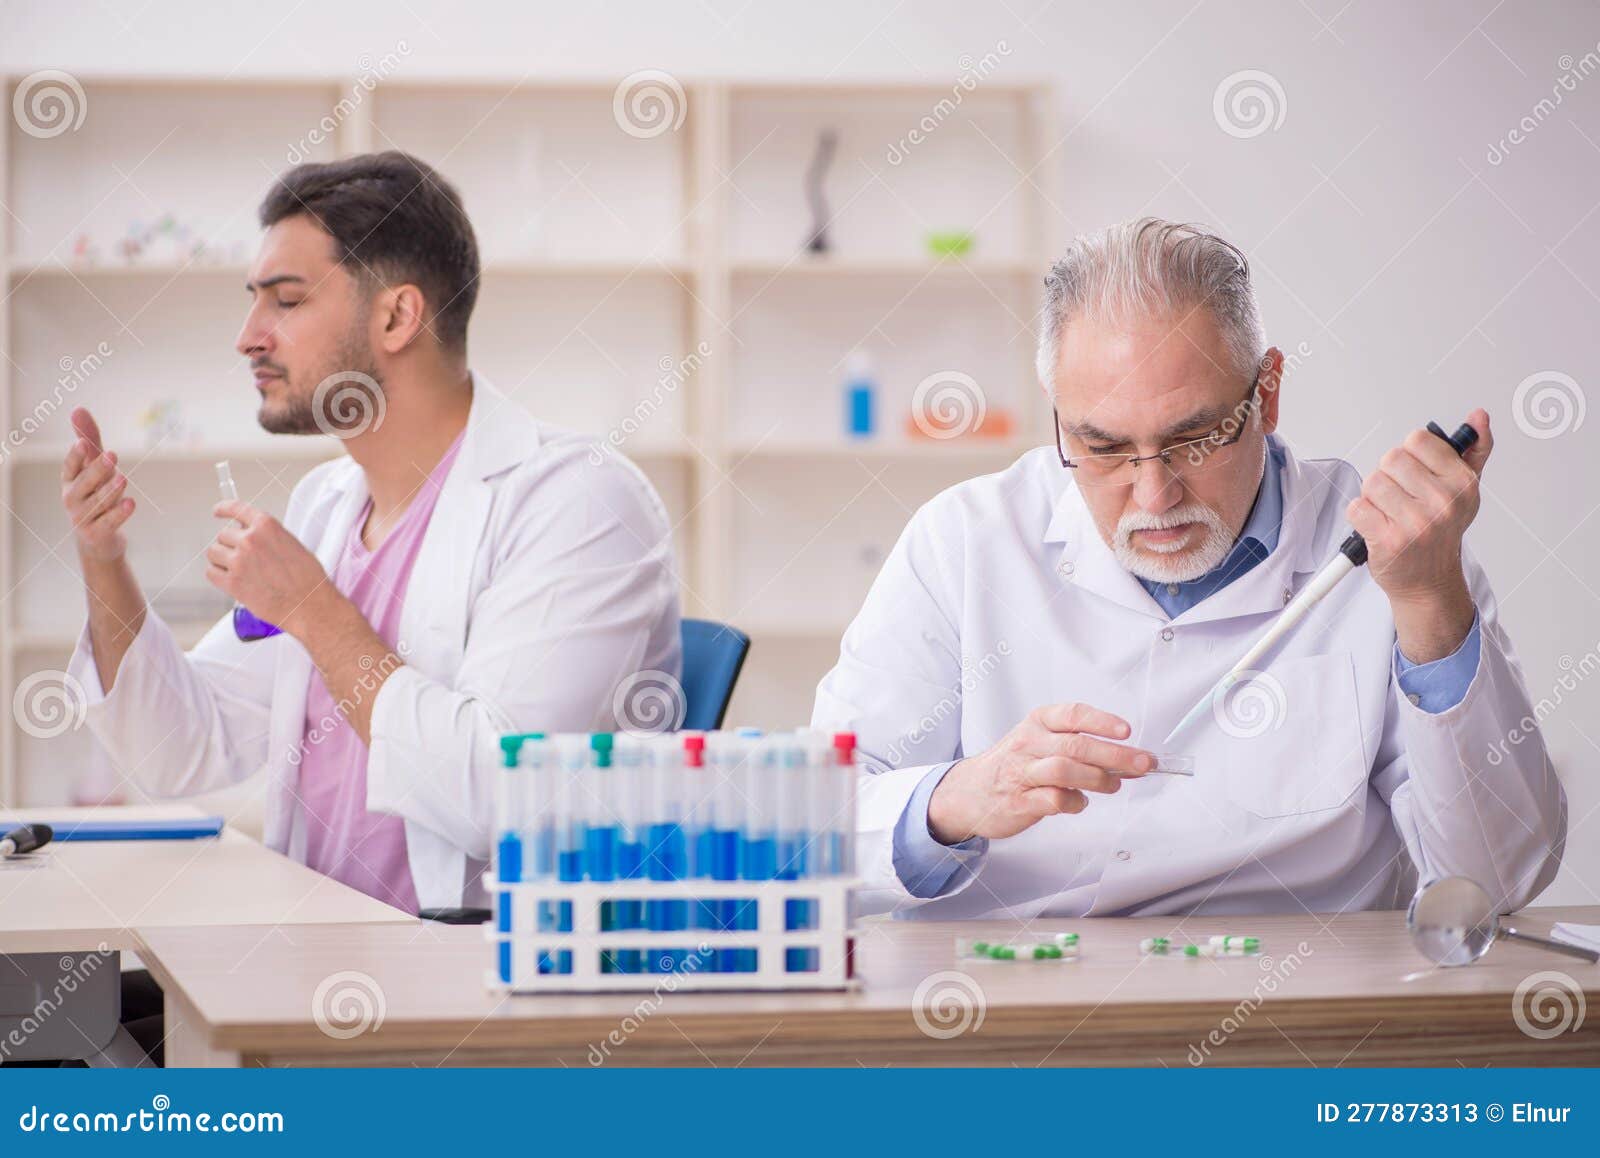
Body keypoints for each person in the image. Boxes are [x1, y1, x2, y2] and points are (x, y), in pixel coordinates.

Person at [813, 217, 1565, 920]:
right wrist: (950, 799)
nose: (1154, 494)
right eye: (1104, 446)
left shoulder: (1398, 553)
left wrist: (1431, 600)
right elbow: (817, 823)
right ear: (1057, 418)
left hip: (1294, 1026)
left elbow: (1495, 880)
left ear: (1266, 394)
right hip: (1013, 1020)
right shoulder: (965, 542)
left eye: (1196, 438)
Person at [62, 151, 682, 920]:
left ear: (396, 316)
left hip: (458, 996)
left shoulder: (579, 503)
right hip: (307, 959)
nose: (248, 337)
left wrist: (316, 611)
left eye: (285, 302)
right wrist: (104, 561)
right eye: (254, 301)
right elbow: (182, 747)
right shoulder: (327, 505)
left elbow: (500, 796)